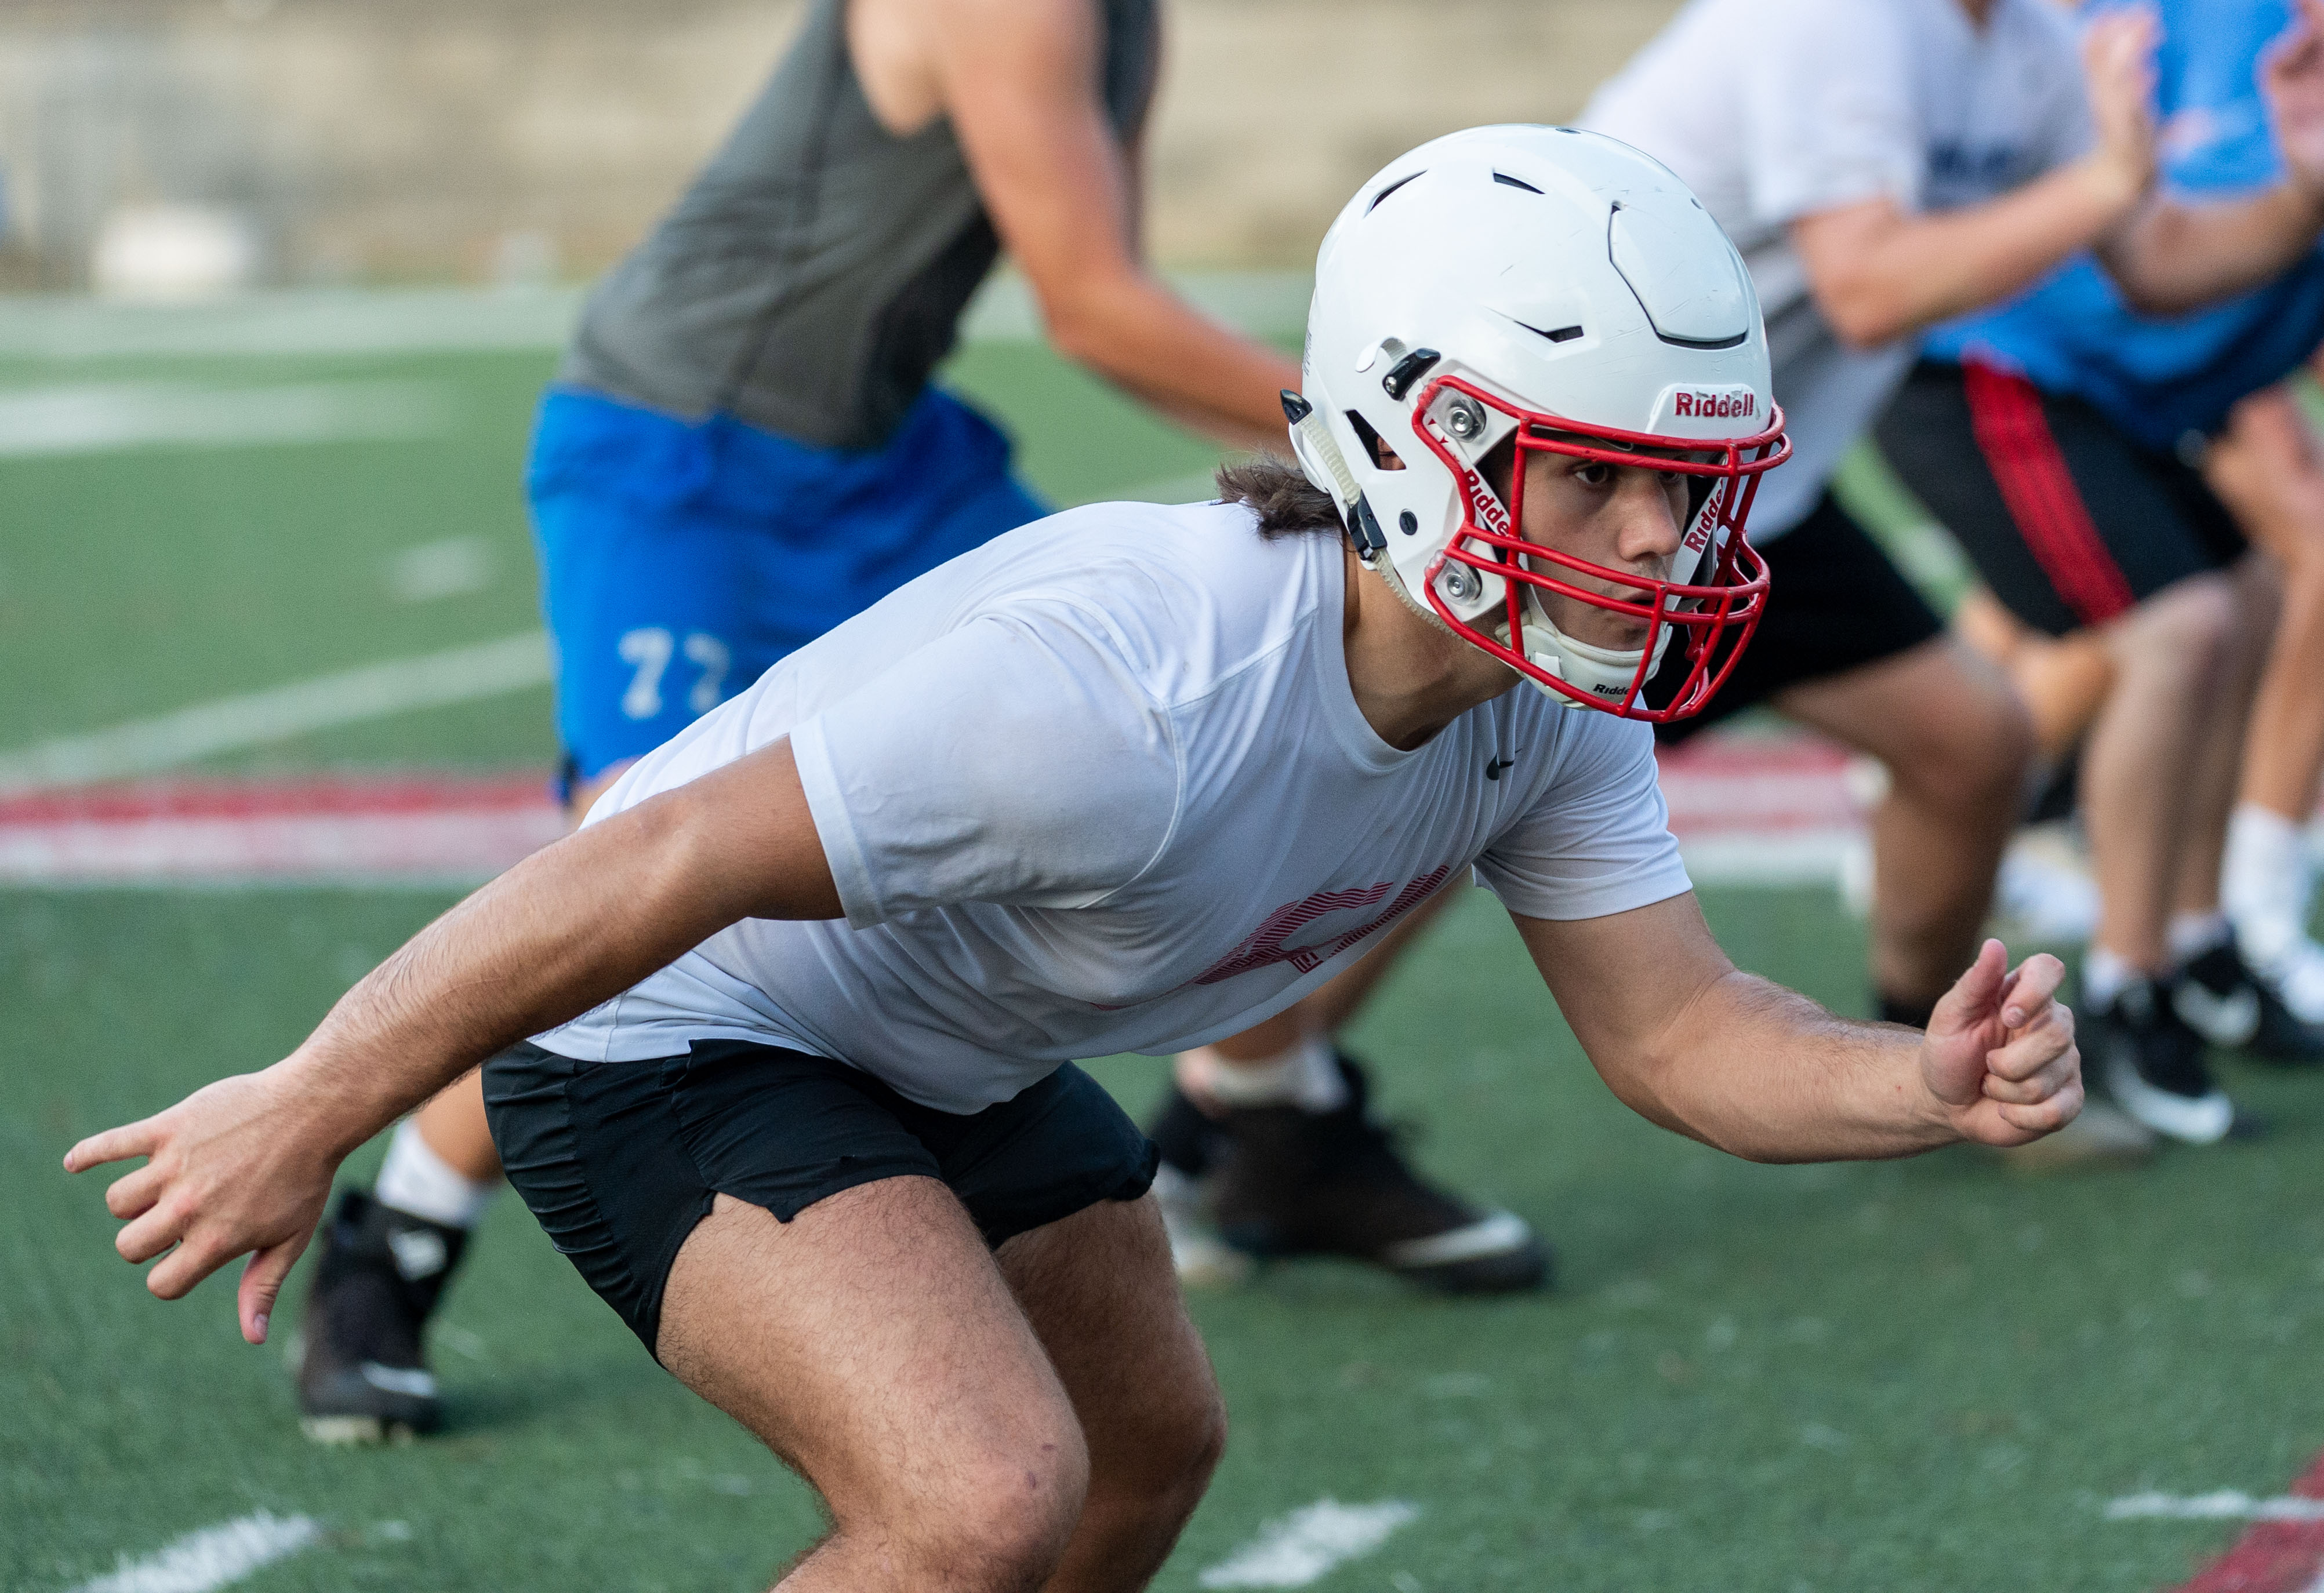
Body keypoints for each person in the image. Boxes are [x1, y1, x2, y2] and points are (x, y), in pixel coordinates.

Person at [70, 129, 2082, 1593]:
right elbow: (651, 853)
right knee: (979, 1497)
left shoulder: (1539, 693)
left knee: (1145, 1453)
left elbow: (1676, 1033)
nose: (1657, 541)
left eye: (1687, 485)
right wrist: (314, 1097)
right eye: (1603, 474)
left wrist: (1918, 1082)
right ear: (1418, 439)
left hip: (934, 1042)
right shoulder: (1123, 685)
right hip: (671, 1034)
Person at [291, 0, 1537, 1446]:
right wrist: (1434, 452)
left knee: (1261, 695)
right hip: (691, 450)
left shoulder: (1132, 20)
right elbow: (1092, 305)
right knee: (642, 877)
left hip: (886, 460)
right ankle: (399, 1236)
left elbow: (1109, 267)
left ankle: (1272, 1115)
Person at [1581, 0, 2324, 1148]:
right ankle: (1284, 1095)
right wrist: (2103, 183)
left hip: (1746, 492)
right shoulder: (1844, 22)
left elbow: (2160, 261)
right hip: (1587, 478)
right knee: (1454, 795)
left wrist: (2304, 193)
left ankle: (1925, 1062)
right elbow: (1869, 287)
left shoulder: (2023, 45)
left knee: (1973, 745)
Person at [1876, 0, 2324, 1143]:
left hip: (2108, 388)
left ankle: (2198, 942)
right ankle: (2128, 991)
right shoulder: (2232, 35)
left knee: (2251, 594)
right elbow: (2167, 262)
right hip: (1995, 362)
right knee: (2178, 625)